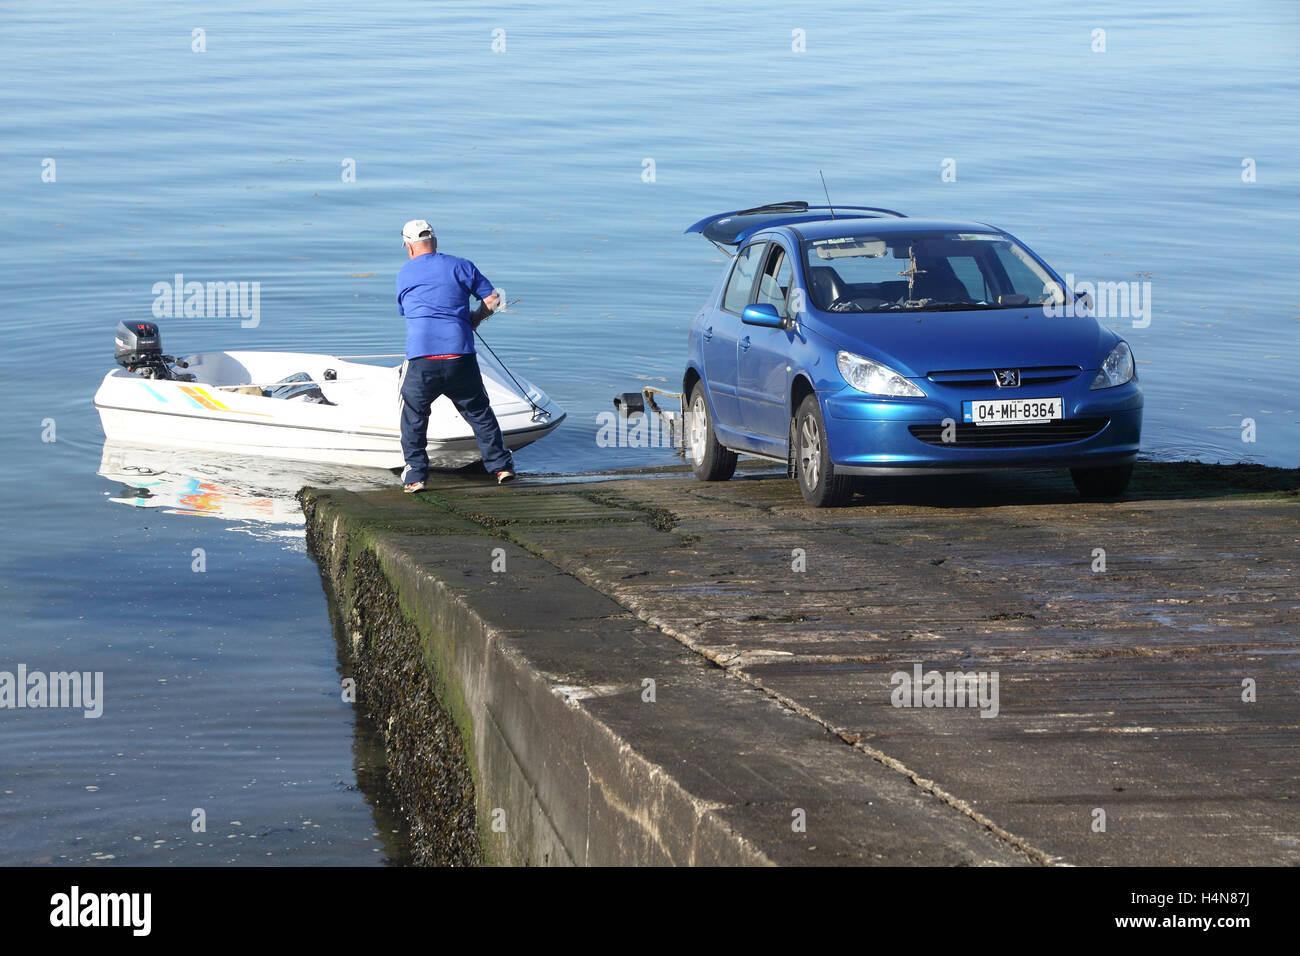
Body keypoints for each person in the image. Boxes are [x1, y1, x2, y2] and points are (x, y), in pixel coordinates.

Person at [395, 218, 516, 492]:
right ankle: (501, 467)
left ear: (409, 247)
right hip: (460, 355)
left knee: (414, 415)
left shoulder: (405, 273)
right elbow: (493, 299)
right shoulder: (461, 265)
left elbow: (408, 310)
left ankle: (415, 476)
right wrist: (475, 318)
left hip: (423, 358)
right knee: (478, 412)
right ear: (434, 241)